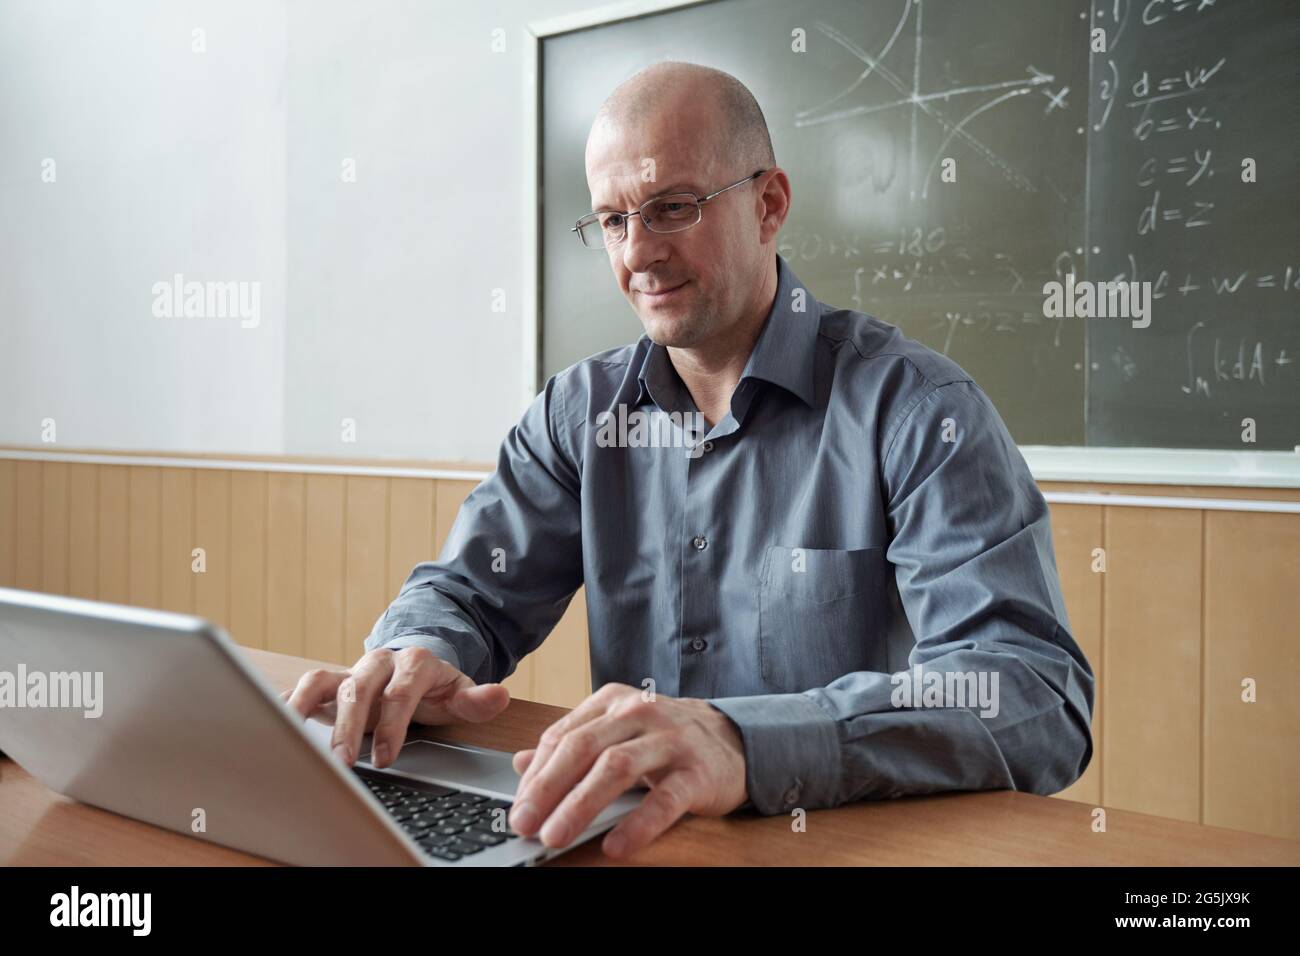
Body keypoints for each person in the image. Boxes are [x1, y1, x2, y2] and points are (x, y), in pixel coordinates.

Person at [284, 61, 1094, 860]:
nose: (637, 254)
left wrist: (746, 740)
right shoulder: (580, 413)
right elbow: (467, 591)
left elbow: (1031, 694)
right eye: (611, 220)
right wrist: (421, 652)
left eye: (672, 208)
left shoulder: (918, 410)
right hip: (635, 842)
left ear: (768, 204)